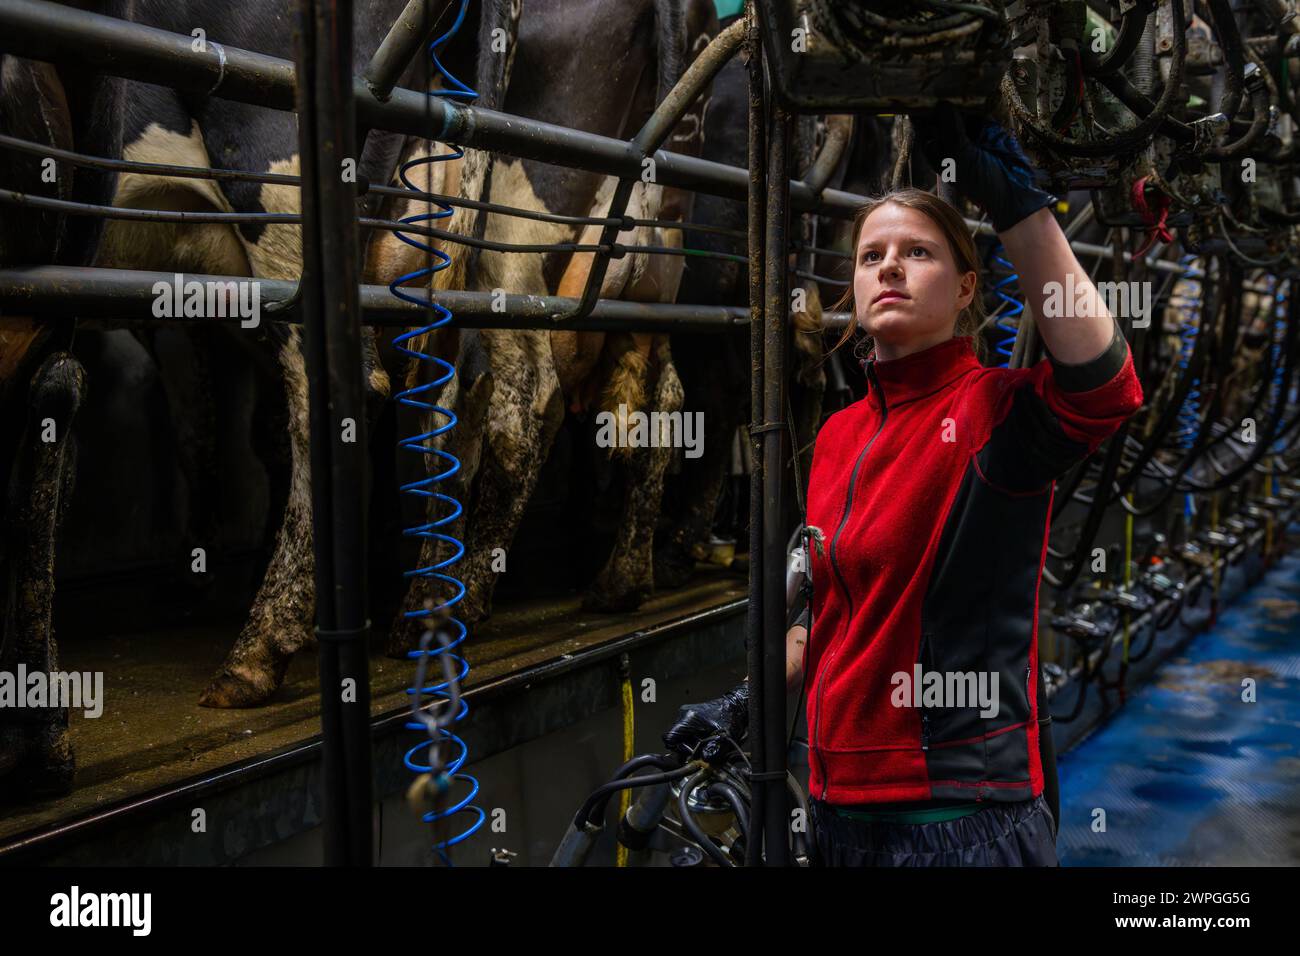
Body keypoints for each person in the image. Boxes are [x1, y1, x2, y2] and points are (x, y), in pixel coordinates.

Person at [663, 104, 1145, 866]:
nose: (887, 266)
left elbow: (1105, 389)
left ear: (964, 290)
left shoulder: (989, 410)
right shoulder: (840, 436)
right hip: (835, 811)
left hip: (954, 815)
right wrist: (749, 703)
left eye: (917, 252)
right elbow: (831, 614)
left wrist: (1023, 211)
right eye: (869, 255)